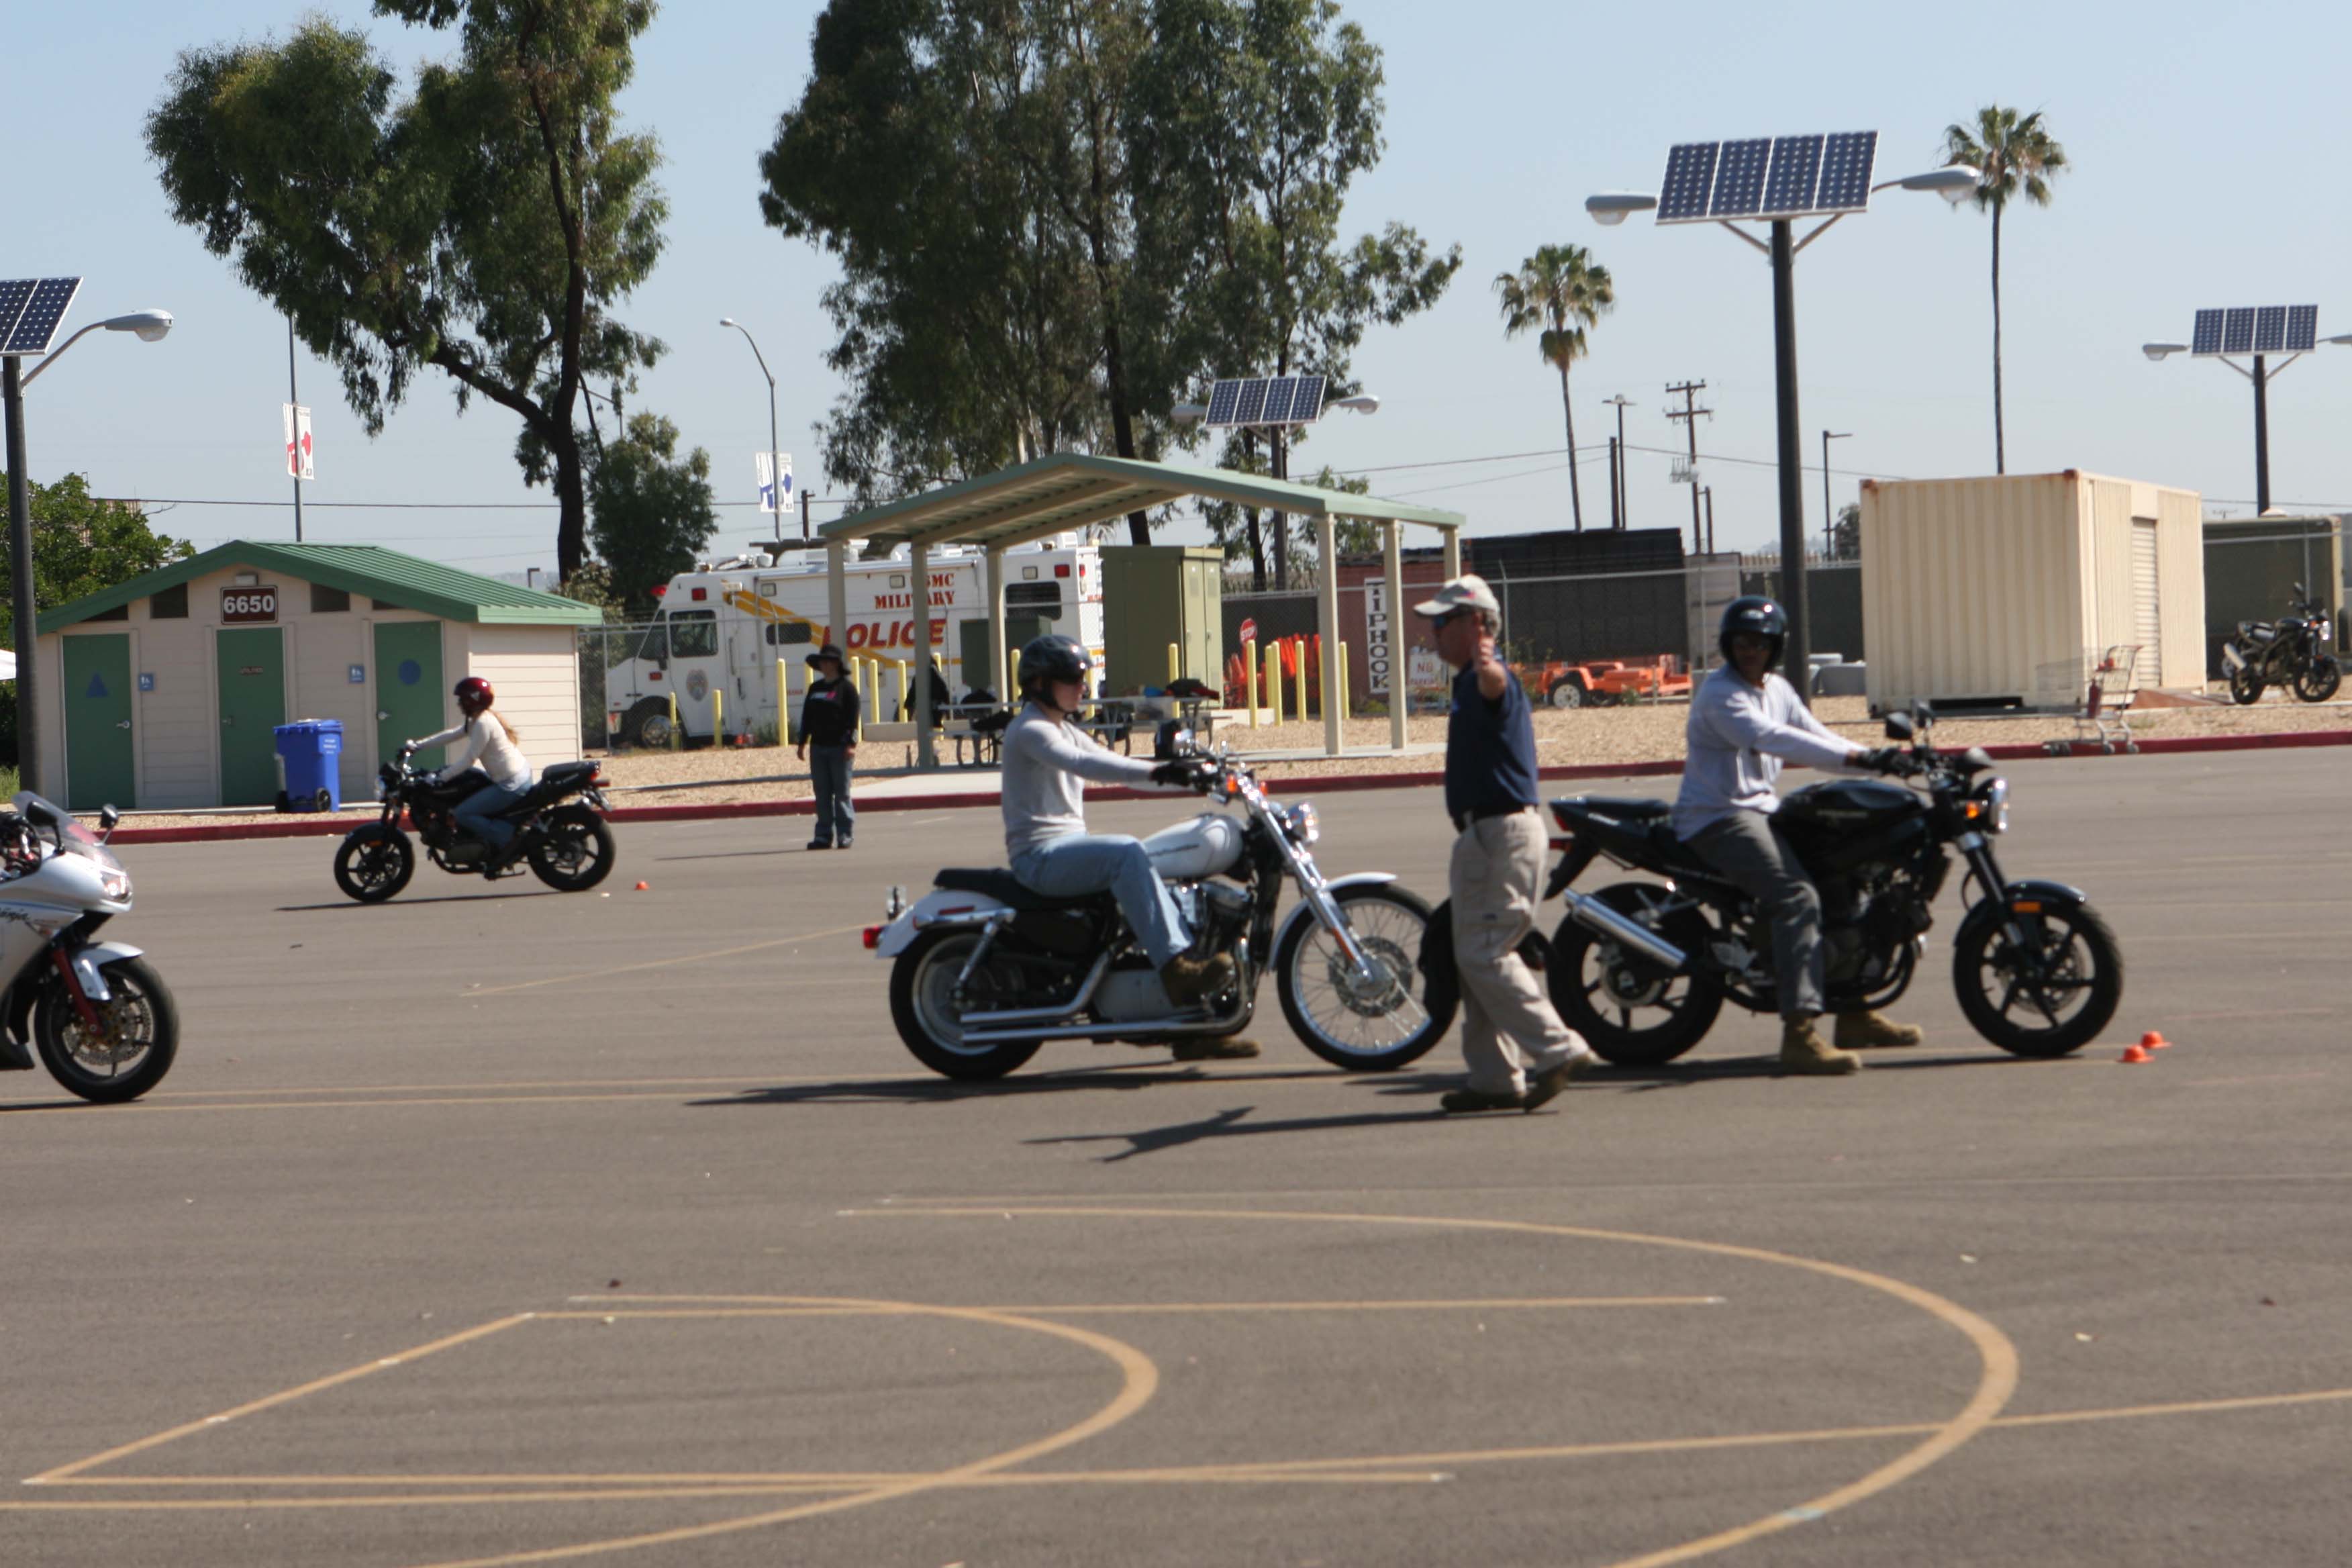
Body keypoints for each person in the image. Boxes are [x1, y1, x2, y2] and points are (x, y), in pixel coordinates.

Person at [1673, 596, 1922, 1075]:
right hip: (1718, 817)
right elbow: (1776, 740)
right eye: (1742, 642)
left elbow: (1818, 739)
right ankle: (1800, 1034)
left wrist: (1876, 757)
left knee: (1843, 878)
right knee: (1796, 897)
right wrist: (1862, 760)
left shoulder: (1779, 689)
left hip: (1763, 809)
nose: (1751, 651)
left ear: (1775, 647)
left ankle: (1853, 1014)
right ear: (1729, 645)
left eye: (1760, 643)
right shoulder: (1720, 695)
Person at [1001, 634, 1256, 1061]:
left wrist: (1194, 772)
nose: (1083, 687)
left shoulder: (1062, 727)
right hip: (1040, 858)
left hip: (1066, 851)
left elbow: (1120, 768)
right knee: (1126, 853)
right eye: (1073, 678)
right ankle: (1178, 972)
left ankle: (1193, 1026)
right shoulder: (1031, 730)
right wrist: (1164, 775)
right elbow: (1093, 766)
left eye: (1084, 678)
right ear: (1041, 682)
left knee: (1169, 873)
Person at [1416, 575, 1598, 1114]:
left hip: (1500, 835)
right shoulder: (1466, 683)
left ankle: (1558, 1048)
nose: (1432, 633)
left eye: (1442, 622)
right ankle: (1495, 1078)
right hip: (1488, 834)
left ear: (1474, 624)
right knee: (1477, 955)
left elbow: (1496, 685)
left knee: (1484, 952)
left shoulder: (1485, 678)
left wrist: (1485, 660)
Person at [408, 677, 532, 875]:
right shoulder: (477, 719)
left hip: (511, 784)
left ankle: (507, 841)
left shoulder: (483, 723)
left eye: (462, 699)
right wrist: (418, 745)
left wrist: (441, 778)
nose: (459, 703)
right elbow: (452, 734)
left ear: (472, 700)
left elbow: (468, 760)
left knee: (463, 813)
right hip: (512, 776)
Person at [796, 644, 859, 850]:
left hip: (839, 748)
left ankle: (845, 834)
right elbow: (807, 717)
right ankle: (823, 835)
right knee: (822, 793)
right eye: (822, 661)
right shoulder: (815, 689)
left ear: (836, 664)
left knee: (842, 792)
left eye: (828, 661)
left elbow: (853, 719)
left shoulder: (847, 689)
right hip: (818, 747)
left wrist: (851, 744)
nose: (824, 665)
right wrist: (802, 743)